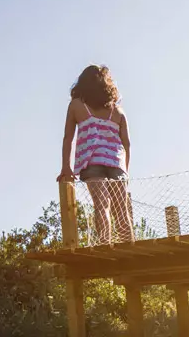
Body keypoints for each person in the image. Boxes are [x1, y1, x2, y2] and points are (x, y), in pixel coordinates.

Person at [57, 65, 133, 244]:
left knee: (102, 206)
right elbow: (127, 144)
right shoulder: (118, 111)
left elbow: (68, 138)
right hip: (116, 164)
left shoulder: (77, 105)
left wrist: (66, 168)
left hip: (92, 162)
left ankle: (105, 245)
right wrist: (126, 171)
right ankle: (130, 249)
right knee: (122, 210)